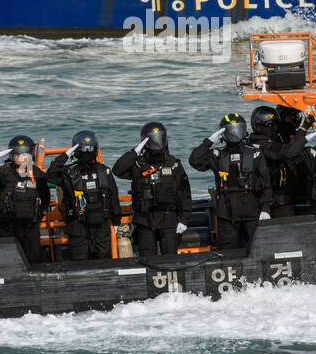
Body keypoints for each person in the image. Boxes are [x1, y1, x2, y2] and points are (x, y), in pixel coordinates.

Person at [189, 112, 272, 249]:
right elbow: (194, 161)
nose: (235, 134)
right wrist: (208, 141)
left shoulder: (255, 154)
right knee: (228, 248)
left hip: (252, 208)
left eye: (238, 129)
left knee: (256, 247)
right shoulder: (217, 155)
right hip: (226, 211)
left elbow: (266, 184)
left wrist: (266, 209)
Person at [112, 121, 192, 257]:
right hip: (145, 219)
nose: (157, 144)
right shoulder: (137, 164)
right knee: (147, 256)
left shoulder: (173, 165)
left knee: (170, 256)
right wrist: (134, 152)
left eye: (160, 139)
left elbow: (185, 194)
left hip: (169, 218)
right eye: (152, 140)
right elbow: (117, 170)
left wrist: (184, 219)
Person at [47, 130, 122, 261]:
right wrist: (66, 155)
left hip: (101, 225)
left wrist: (116, 222)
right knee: (80, 260)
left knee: (104, 259)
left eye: (90, 149)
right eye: (83, 149)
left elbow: (113, 197)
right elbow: (50, 175)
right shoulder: (69, 172)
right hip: (78, 226)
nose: (87, 152)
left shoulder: (104, 171)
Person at [0, 135, 51, 264]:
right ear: (12, 155)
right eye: (17, 154)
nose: (21, 158)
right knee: (10, 261)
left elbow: (45, 195)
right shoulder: (3, 172)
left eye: (24, 154)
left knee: (34, 259)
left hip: (30, 226)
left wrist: (41, 212)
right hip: (9, 226)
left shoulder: (37, 173)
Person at [247, 105, 308, 218]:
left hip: (278, 195)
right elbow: (286, 152)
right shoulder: (263, 144)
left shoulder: (268, 140)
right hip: (275, 199)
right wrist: (304, 129)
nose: (275, 128)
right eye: (272, 125)